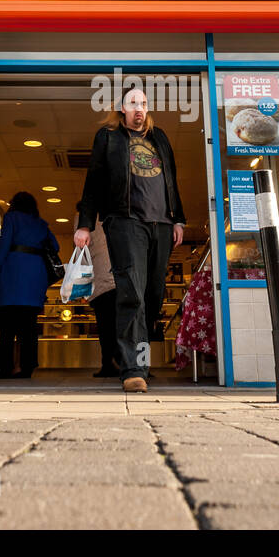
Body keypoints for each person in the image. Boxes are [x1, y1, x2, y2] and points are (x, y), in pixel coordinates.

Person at [75, 85, 185, 393]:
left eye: (143, 103)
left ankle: (143, 364)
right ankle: (133, 369)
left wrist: (178, 218)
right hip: (125, 222)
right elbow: (94, 180)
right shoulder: (108, 137)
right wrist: (85, 224)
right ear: (122, 108)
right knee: (132, 293)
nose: (139, 108)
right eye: (133, 102)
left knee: (153, 296)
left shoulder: (159, 137)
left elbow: (172, 179)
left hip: (161, 224)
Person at [0, 191, 58, 378]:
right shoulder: (41, 224)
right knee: (29, 326)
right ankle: (25, 367)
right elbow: (55, 246)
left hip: (12, 274)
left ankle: (5, 368)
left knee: (7, 326)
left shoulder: (11, 218)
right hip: (36, 275)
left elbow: (4, 246)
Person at [87, 225, 118, 378]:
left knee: (106, 328)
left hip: (101, 282)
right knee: (132, 326)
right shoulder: (123, 216)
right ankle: (138, 365)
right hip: (124, 280)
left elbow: (81, 251)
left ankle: (108, 364)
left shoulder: (84, 219)